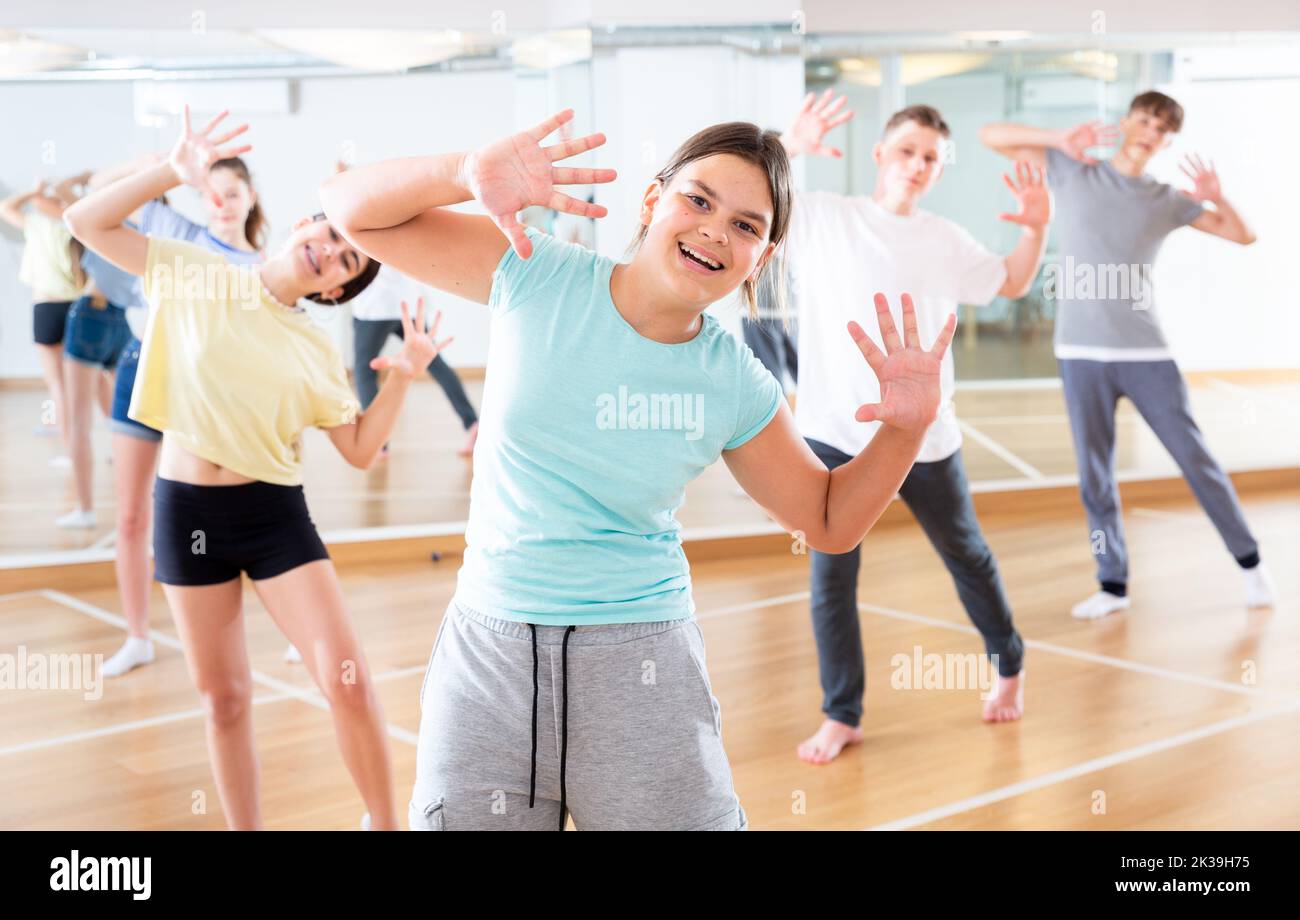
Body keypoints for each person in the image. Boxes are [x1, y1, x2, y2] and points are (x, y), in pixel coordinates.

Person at [321, 109, 955, 830]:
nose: (718, 230)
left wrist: (905, 431)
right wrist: (461, 171)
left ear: (763, 258)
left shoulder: (735, 380)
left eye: (748, 227)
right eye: (699, 200)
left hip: (642, 663)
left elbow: (830, 520)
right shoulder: (537, 271)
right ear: (654, 201)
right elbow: (351, 213)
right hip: (490, 660)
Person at [66, 107, 447, 829]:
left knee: (351, 682)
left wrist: (404, 375)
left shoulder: (314, 353)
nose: (330, 253)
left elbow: (361, 450)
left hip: (273, 517)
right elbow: (86, 220)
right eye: (329, 235)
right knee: (226, 700)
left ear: (336, 292)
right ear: (304, 222)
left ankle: (386, 823)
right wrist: (170, 175)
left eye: (346, 263)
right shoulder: (196, 272)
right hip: (187, 512)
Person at [779, 93, 1047, 763]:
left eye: (931, 157)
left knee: (966, 554)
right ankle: (842, 713)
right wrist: (793, 141)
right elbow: (758, 193)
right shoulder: (822, 217)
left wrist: (1036, 231)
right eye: (906, 150)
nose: (918, 164)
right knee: (830, 578)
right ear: (879, 155)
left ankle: (1009, 661)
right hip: (833, 434)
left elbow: (1011, 282)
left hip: (926, 436)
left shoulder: (946, 240)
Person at [980, 90, 1275, 619]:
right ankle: (1112, 585)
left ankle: (1252, 565)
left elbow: (1244, 236)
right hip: (1078, 352)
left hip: (1145, 355)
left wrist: (1218, 196)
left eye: (1162, 129)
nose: (1149, 132)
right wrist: (1056, 138)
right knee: (1095, 475)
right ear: (1127, 122)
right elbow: (990, 137)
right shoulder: (1073, 171)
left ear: (1167, 141)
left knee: (1196, 461)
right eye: (1144, 120)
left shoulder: (1166, 198)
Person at [81, 151, 266, 677]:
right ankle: (137, 636)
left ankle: (275, 618)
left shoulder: (259, 267)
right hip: (142, 372)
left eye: (232, 193)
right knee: (132, 515)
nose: (222, 204)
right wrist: (164, 164)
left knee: (229, 518)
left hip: (206, 394)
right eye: (210, 193)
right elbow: (97, 183)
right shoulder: (170, 227)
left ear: (250, 197)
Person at [2, 174, 90, 463]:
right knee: (78, 387)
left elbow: (6, 207)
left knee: (59, 387)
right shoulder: (77, 230)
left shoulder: (38, 225)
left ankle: (70, 453)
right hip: (76, 309)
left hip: (47, 309)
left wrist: (33, 190)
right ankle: (86, 447)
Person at [350, 264, 478, 456]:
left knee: (364, 372)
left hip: (373, 306)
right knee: (435, 362)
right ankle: (472, 422)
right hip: (408, 303)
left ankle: (377, 443)